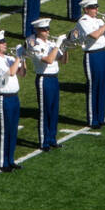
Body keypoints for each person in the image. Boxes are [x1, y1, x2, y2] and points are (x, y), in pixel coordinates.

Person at [0, 29, 25, 171]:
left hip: (14, 97)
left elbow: (22, 73)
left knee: (13, 130)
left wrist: (23, 59)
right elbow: (10, 72)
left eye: (4, 41)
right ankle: (3, 162)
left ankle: (11, 159)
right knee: (5, 131)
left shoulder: (7, 58)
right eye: (1, 42)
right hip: (4, 99)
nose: (4, 43)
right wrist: (18, 57)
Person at [30, 17, 68, 147]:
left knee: (54, 109)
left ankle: (52, 138)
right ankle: (44, 141)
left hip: (54, 78)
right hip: (43, 79)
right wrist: (57, 45)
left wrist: (66, 47)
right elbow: (48, 60)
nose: (47, 31)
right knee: (45, 110)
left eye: (47, 29)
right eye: (44, 29)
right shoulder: (35, 45)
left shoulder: (51, 44)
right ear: (37, 30)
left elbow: (63, 60)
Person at [76, 0, 105, 128]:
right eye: (93, 8)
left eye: (96, 7)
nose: (96, 10)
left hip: (102, 53)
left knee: (103, 85)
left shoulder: (98, 21)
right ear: (86, 9)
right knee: (93, 87)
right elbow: (94, 35)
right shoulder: (83, 21)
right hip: (91, 55)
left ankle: (101, 117)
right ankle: (92, 119)